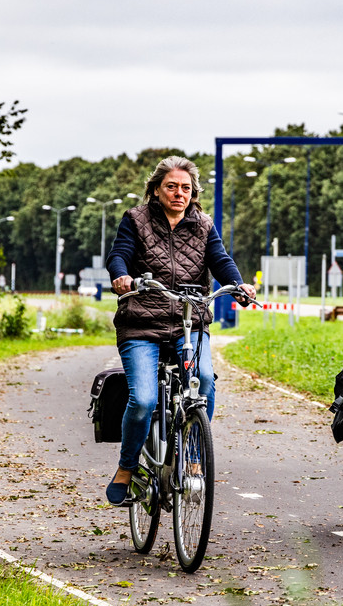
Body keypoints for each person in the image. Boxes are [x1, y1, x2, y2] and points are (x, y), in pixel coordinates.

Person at [104, 156, 257, 505]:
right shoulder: (135, 220)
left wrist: (237, 284)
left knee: (203, 380)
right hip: (141, 322)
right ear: (156, 190)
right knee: (142, 399)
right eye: (171, 186)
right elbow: (119, 255)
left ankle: (192, 457)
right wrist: (121, 276)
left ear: (193, 192)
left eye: (185, 188)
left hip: (189, 321)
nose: (179, 193)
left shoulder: (203, 224)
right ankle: (127, 468)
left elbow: (219, 260)